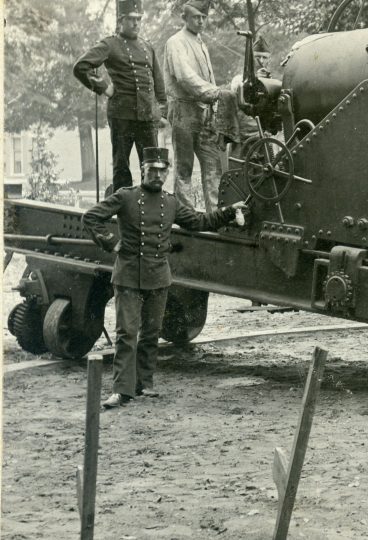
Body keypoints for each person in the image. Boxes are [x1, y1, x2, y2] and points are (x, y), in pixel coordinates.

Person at [82, 147, 247, 409]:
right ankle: (122, 390)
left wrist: (229, 212)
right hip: (128, 276)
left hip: (158, 277)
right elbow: (91, 217)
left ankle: (144, 384)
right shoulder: (125, 197)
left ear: (167, 172)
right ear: (143, 170)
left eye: (162, 170)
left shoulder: (170, 203)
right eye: (152, 170)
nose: (157, 175)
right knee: (127, 333)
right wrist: (111, 243)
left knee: (151, 333)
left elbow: (199, 222)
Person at [73, 0, 166, 196]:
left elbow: (159, 83)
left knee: (152, 166)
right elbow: (81, 67)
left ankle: (151, 212)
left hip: (147, 118)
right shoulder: (110, 44)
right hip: (122, 116)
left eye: (138, 19)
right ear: (120, 20)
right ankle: (123, 214)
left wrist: (162, 112)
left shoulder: (148, 47)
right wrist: (104, 87)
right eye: (131, 19)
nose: (136, 24)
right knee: (121, 167)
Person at [163, 0, 223, 210]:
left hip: (204, 112)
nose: (200, 21)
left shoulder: (200, 43)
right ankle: (186, 216)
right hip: (183, 110)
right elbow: (185, 77)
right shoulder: (176, 42)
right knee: (184, 167)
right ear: (185, 17)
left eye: (203, 17)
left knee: (213, 165)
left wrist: (214, 103)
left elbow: (209, 76)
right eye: (196, 17)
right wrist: (213, 93)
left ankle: (214, 215)